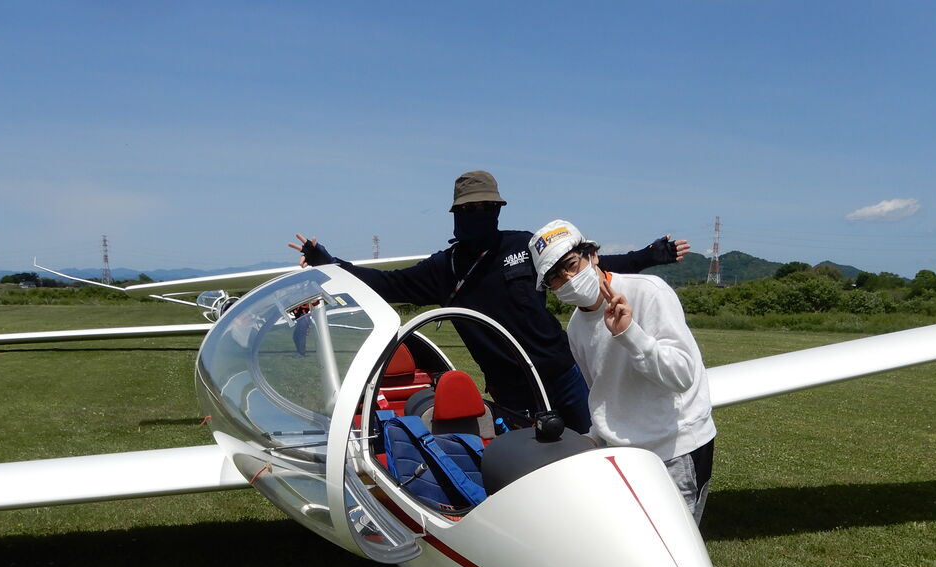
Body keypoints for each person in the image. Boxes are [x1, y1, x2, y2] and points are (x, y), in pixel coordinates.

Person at [288, 170, 689, 434]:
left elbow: (583, 261)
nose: (479, 213)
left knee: (594, 443)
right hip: (509, 389)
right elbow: (385, 283)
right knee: (533, 459)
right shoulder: (443, 269)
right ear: (456, 214)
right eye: (470, 209)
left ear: (498, 209)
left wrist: (650, 256)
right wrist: (330, 263)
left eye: (487, 207)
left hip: (564, 373)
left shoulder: (523, 245)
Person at [529, 219, 716, 527]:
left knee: (673, 550)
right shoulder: (576, 327)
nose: (568, 278)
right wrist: (594, 437)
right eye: (555, 277)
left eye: (571, 264)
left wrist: (629, 333)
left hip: (676, 447)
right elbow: (601, 391)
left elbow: (683, 376)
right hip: (626, 456)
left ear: (592, 256)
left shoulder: (648, 292)